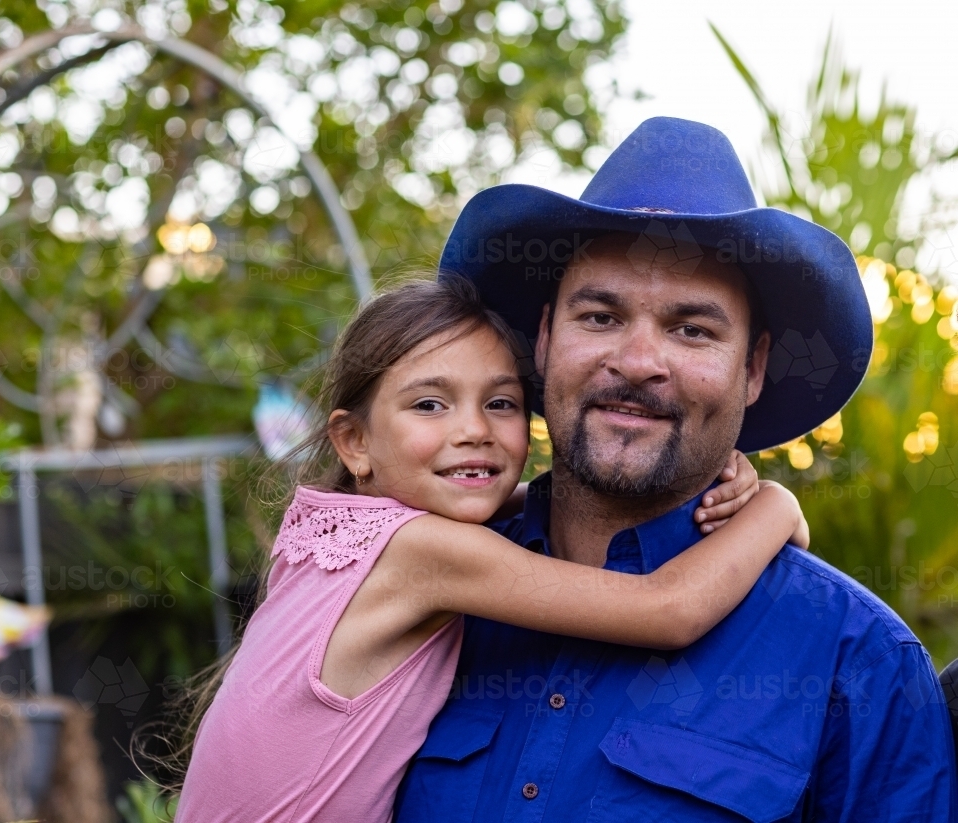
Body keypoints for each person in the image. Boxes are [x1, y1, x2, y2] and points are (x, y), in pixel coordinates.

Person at [393, 116, 957, 821]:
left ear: (753, 368)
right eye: (600, 317)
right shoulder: (416, 600)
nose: (637, 362)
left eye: (692, 329)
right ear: (543, 338)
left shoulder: (862, 664)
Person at [172, 276, 810, 823]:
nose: (474, 430)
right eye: (430, 404)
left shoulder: (327, 526)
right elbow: (667, 610)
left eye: (501, 403)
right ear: (354, 442)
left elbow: (517, 500)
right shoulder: (423, 554)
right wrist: (773, 506)